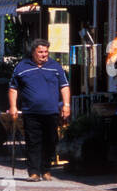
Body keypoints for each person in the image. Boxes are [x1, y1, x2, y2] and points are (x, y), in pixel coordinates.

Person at [8, 38, 70, 181]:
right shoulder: (22, 67)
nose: (44, 55)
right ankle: (33, 172)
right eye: (40, 52)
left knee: (51, 141)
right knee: (33, 142)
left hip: (51, 111)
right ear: (33, 53)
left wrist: (66, 105)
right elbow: (13, 88)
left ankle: (46, 170)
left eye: (46, 52)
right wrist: (13, 107)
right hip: (31, 112)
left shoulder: (55, 66)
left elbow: (64, 86)